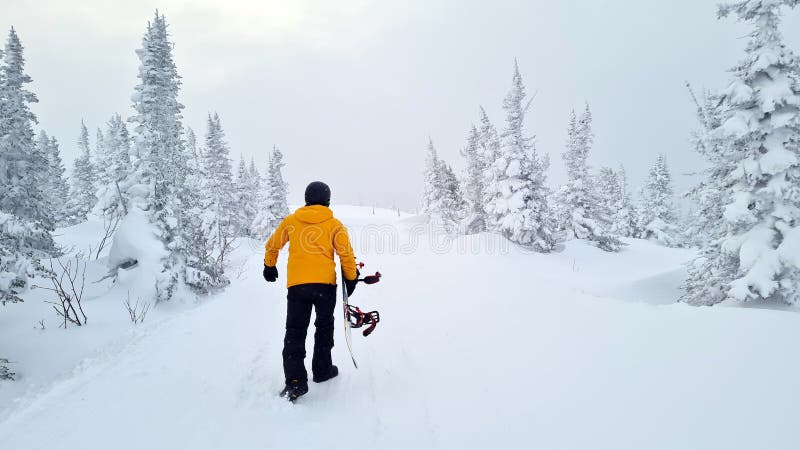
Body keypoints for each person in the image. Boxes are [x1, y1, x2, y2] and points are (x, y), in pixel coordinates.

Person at [263, 181, 358, 401]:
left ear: (306, 199)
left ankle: (295, 382)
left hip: (298, 286)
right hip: (325, 286)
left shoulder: (291, 221)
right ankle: (322, 370)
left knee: (295, 331)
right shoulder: (334, 224)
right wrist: (351, 279)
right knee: (324, 327)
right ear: (327, 200)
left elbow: (273, 245)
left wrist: (270, 265)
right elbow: (346, 254)